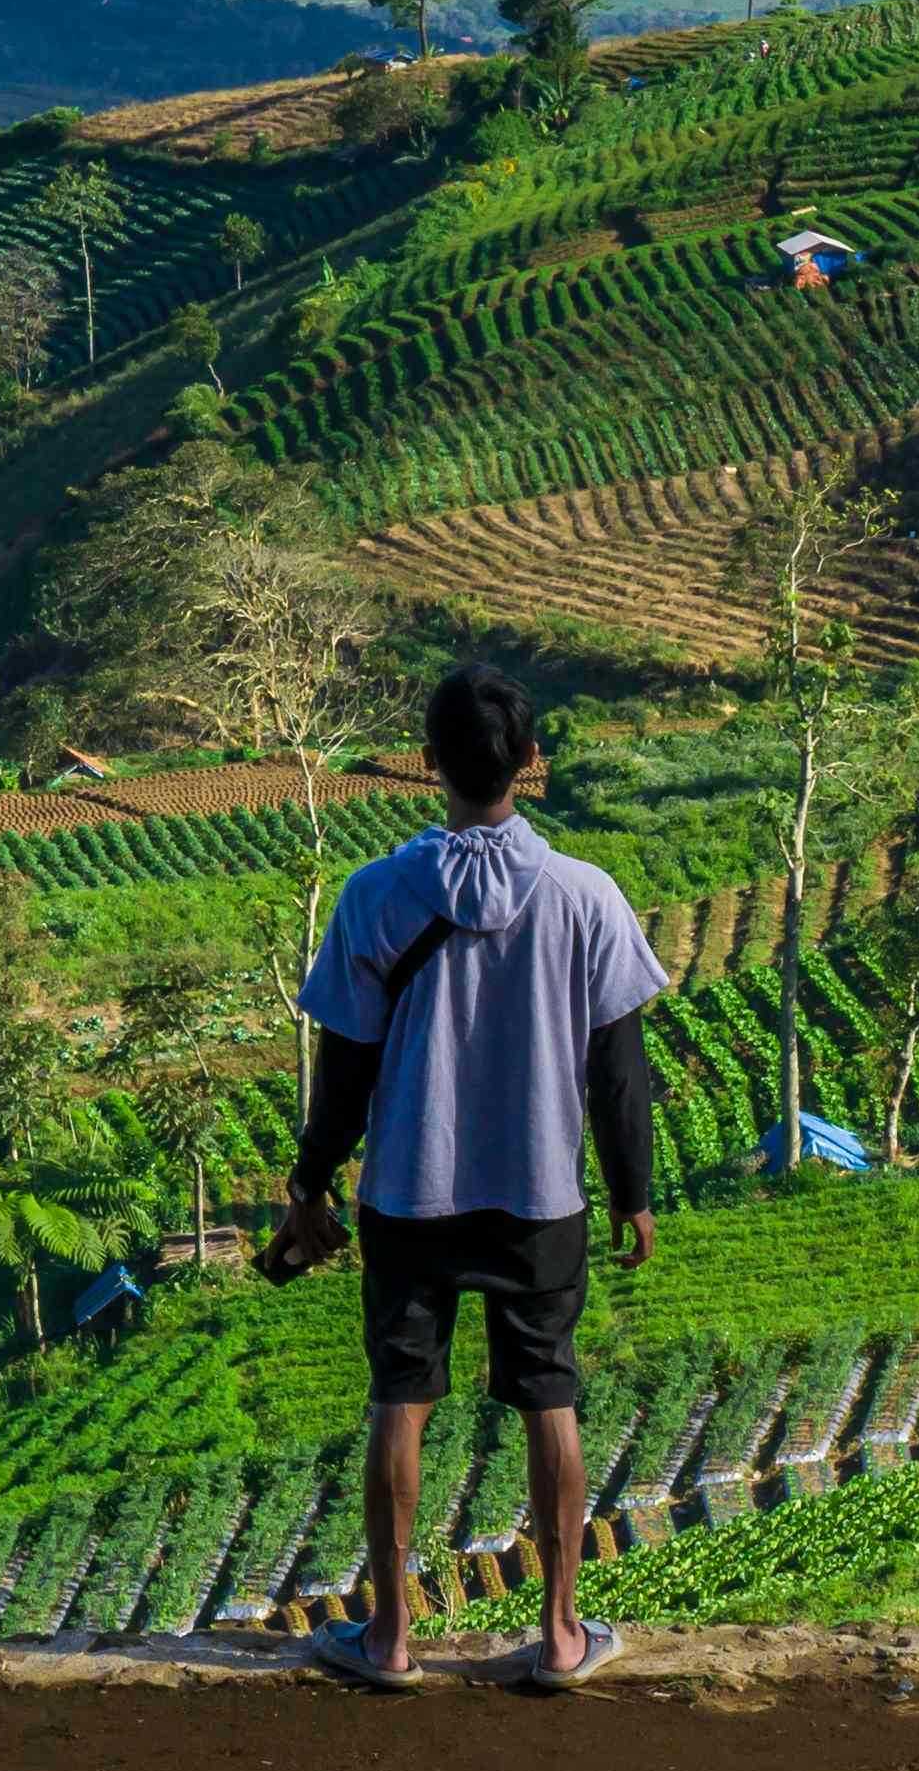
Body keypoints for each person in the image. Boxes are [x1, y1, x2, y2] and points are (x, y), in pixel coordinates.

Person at [279, 658, 666, 1690]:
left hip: (409, 1193)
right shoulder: (587, 897)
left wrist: (310, 1182)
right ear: (529, 761)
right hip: (540, 1195)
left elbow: (346, 1069)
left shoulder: (374, 897)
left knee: (400, 1398)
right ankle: (563, 1635)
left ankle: (390, 1639)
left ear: (428, 763)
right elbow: (618, 1071)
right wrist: (632, 1193)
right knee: (550, 1394)